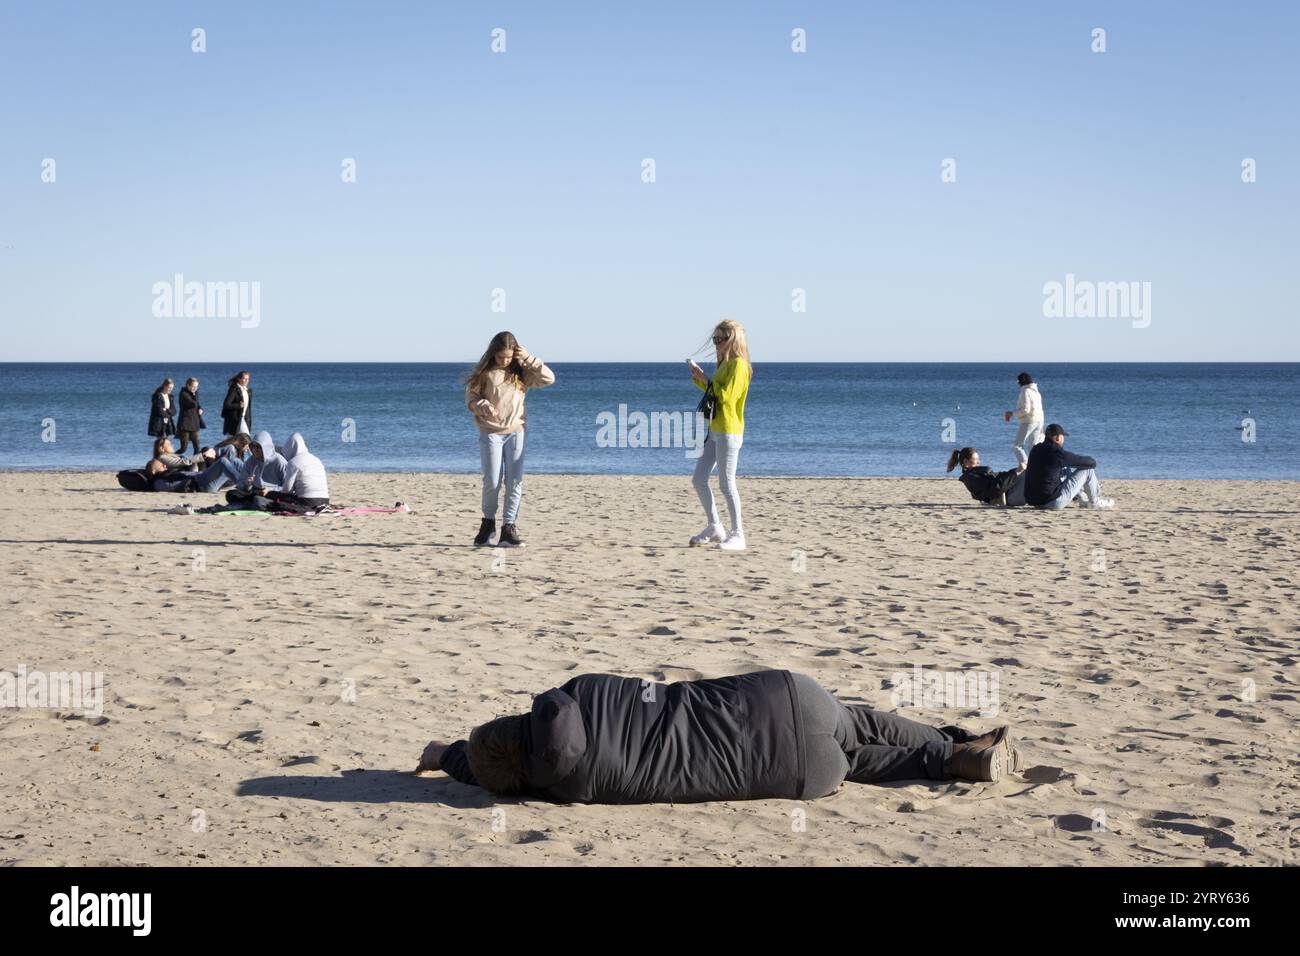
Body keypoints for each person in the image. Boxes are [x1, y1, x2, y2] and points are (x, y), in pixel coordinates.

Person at [414, 669, 1024, 804]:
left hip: (801, 777)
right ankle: (953, 744)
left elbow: (494, 772)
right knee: (854, 720)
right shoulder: (582, 690)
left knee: (852, 757)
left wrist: (447, 760)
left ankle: (951, 764)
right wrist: (452, 747)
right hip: (785, 696)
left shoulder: (563, 786)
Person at [465, 331, 555, 547]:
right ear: (493, 353)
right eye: (500, 357)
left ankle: (508, 528)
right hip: (490, 432)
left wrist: (529, 358)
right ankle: (487, 525)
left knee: (515, 481)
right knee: (493, 481)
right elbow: (471, 398)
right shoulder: (484, 374)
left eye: (507, 357)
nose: (504, 361)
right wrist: (482, 406)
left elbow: (549, 379)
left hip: (516, 432)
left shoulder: (522, 372)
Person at [688, 319, 751, 551]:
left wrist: (706, 380)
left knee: (727, 484)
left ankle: (738, 535)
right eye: (714, 339)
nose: (715, 343)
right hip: (715, 430)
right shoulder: (724, 363)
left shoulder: (739, 365)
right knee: (698, 479)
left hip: (729, 431)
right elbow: (714, 392)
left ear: (731, 339)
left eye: (719, 339)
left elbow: (726, 396)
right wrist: (700, 377)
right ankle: (715, 526)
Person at [1023, 423, 1114, 510]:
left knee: (1065, 469)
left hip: (1034, 502)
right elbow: (1091, 463)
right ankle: (1094, 501)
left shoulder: (1035, 449)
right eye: (1063, 437)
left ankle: (1081, 497)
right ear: (1058, 437)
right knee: (1088, 470)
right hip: (1052, 502)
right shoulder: (1056, 453)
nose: (1064, 439)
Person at [264, 432, 330, 511]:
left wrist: (270, 492)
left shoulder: (293, 462)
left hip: (308, 501)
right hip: (325, 501)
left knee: (274, 498)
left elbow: (287, 491)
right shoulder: (317, 460)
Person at [946, 447, 1026, 506]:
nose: (979, 461)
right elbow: (996, 488)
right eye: (976, 459)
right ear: (966, 462)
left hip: (1010, 490)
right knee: (1028, 475)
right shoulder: (971, 478)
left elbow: (1000, 478)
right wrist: (1016, 472)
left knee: (1028, 472)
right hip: (1010, 497)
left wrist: (1016, 471)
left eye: (978, 459)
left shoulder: (977, 473)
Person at [1005, 372, 1044, 467]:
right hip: (1039, 421)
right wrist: (1042, 425)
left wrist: (1012, 414)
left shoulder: (1025, 391)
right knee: (1033, 447)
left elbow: (1026, 410)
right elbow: (1040, 409)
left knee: (1017, 446)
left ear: (1021, 382)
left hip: (1028, 421)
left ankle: (1026, 465)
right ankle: (1034, 467)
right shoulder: (1036, 392)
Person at [176, 378, 206, 456]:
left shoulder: (194, 393)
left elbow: (198, 405)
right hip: (185, 424)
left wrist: (201, 409)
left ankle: (195, 465)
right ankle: (169, 459)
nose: (195, 388)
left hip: (194, 424)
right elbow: (193, 404)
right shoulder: (183, 394)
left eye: (196, 387)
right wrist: (195, 394)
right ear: (188, 385)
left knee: (197, 448)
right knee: (183, 449)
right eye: (193, 386)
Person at [222, 370, 252, 438]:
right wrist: (238, 405)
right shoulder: (234, 390)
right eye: (245, 379)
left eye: (248, 379)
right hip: (235, 419)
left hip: (244, 419)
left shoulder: (247, 391)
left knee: (237, 441)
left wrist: (248, 420)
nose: (247, 380)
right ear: (239, 379)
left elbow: (248, 408)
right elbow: (226, 404)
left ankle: (227, 447)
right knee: (245, 438)